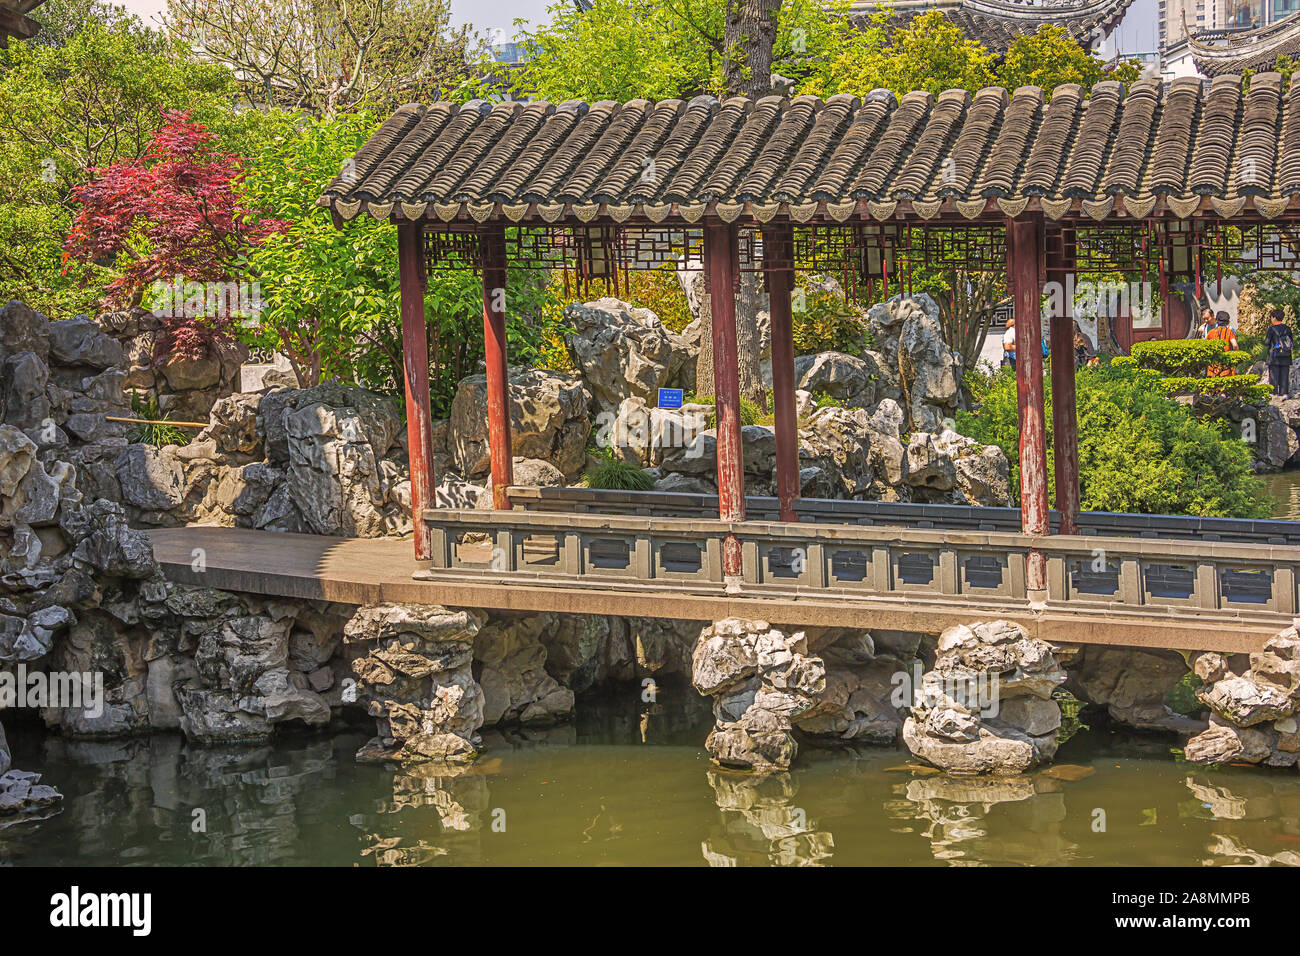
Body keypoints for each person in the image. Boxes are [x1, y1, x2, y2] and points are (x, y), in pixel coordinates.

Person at [1265, 307, 1294, 397]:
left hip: (1274, 356)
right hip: (1286, 356)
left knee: (1274, 375)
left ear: (1274, 317)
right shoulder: (1287, 329)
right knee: (1284, 375)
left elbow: (1266, 342)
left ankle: (1274, 393)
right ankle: (1284, 393)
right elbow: (1291, 342)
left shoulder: (1271, 329)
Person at [1206, 311, 1238, 377]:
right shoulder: (1229, 332)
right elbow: (1235, 345)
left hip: (1214, 365)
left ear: (1217, 320)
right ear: (1227, 321)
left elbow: (1206, 347)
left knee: (1214, 385)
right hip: (1226, 363)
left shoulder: (1211, 332)